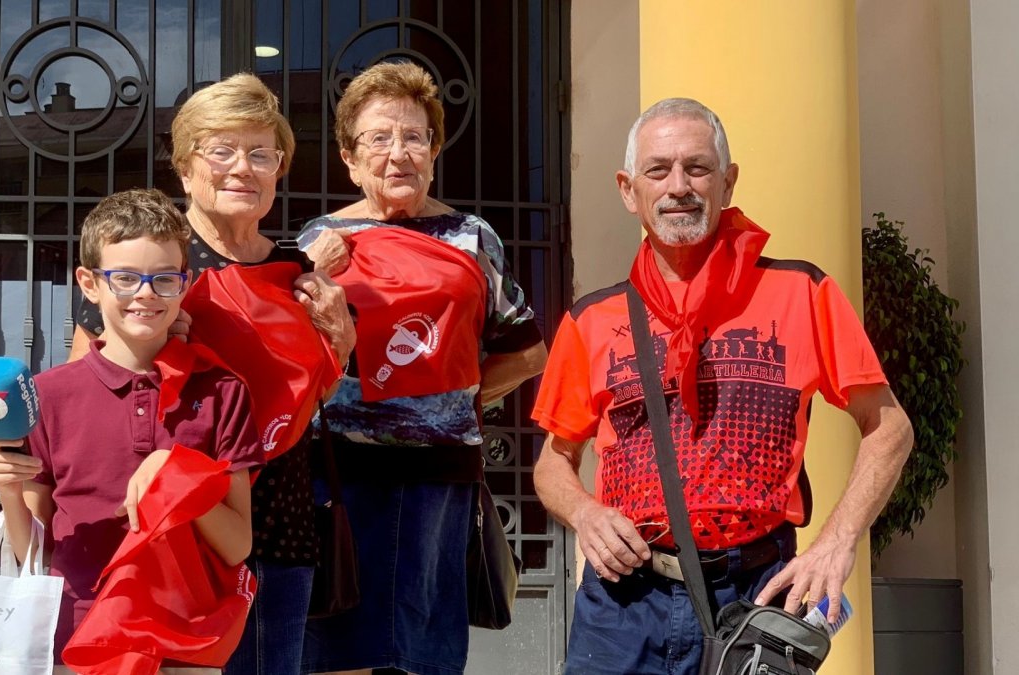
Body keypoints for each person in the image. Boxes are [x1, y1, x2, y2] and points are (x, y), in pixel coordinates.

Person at [531, 98, 915, 674]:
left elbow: (890, 428)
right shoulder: (592, 319)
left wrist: (838, 543)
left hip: (755, 592)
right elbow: (552, 463)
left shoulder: (800, 293)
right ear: (627, 189)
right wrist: (585, 514)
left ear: (728, 182)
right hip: (623, 605)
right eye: (658, 170)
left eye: (698, 168)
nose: (678, 186)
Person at [67, 74, 355, 675]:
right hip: (170, 530)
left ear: (280, 168)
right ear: (185, 168)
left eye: (260, 153)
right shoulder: (151, 262)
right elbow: (85, 393)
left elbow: (302, 398)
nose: (241, 168)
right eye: (220, 150)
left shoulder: (294, 268)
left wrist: (342, 344)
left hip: (277, 523)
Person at [297, 61, 548, 675]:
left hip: (438, 480)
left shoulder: (471, 237)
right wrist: (307, 268)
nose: (397, 154)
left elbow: (527, 350)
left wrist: (451, 396)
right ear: (348, 157)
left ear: (435, 150)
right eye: (378, 139)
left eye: (413, 137)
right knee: (336, 653)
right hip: (339, 478)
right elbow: (288, 358)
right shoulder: (322, 240)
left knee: (423, 655)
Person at [0, 188, 262, 674]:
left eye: (164, 280)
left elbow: (238, 544)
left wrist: (174, 475)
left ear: (185, 282)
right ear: (89, 284)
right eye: (126, 279)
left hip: (187, 641)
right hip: (82, 638)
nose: (146, 295)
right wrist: (8, 487)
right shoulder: (48, 396)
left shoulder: (222, 391)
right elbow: (30, 549)